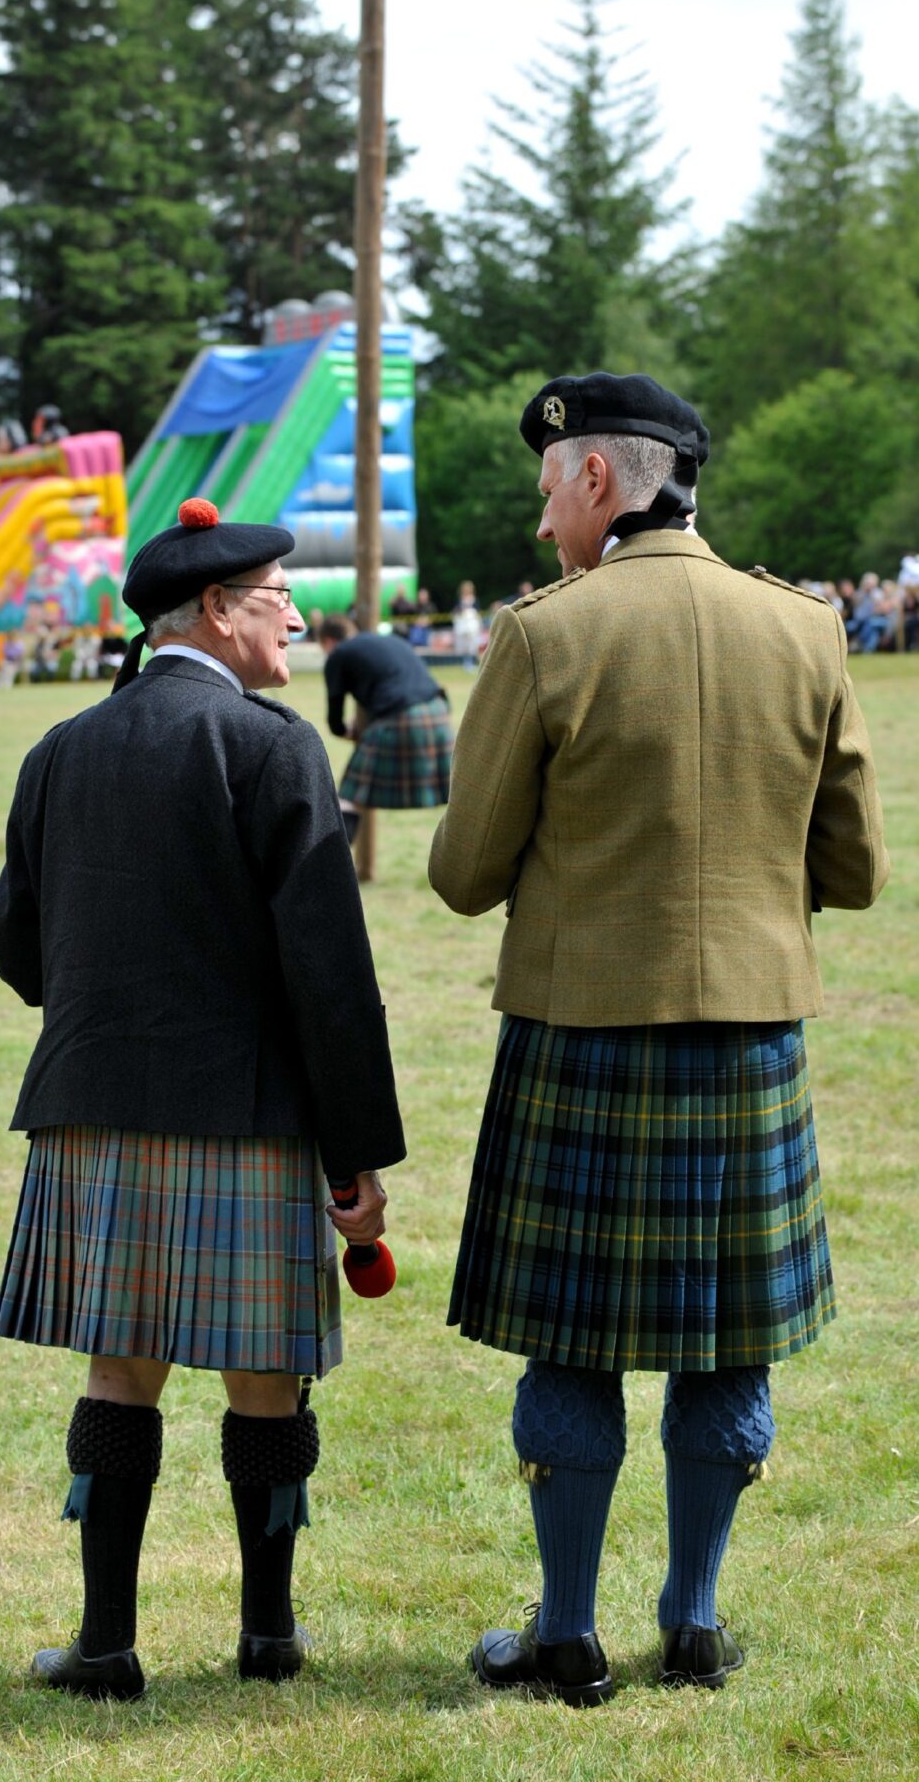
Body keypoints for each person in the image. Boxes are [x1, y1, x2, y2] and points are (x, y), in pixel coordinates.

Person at [429, 371, 888, 1705]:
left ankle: (566, 1634)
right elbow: (853, 871)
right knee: (725, 1342)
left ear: (592, 480)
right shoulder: (804, 631)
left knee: (568, 1346)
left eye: (542, 494)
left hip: (582, 1036)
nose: (536, 527)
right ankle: (692, 1621)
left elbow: (463, 873)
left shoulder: (542, 636)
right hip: (747, 1044)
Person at [0, 497, 405, 1699]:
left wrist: (100, 1009)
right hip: (248, 1115)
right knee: (266, 1379)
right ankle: (268, 1637)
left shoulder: (58, 747)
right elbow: (330, 973)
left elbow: (16, 940)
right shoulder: (274, 746)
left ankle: (106, 1645)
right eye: (279, 595)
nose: (296, 614)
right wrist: (356, 1155)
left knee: (120, 1374)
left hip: (93, 1106)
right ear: (217, 611)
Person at [318, 613, 454, 838]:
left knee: (349, 798)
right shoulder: (389, 641)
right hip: (438, 713)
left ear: (328, 641)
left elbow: (335, 716)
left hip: (401, 716)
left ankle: (331, 867)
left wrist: (345, 732)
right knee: (457, 795)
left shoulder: (338, 655)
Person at [452, 580, 482, 669]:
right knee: (464, 644)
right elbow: (455, 611)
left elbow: (478, 612)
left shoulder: (475, 600)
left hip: (472, 625)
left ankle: (472, 662)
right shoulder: (459, 600)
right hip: (462, 625)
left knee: (472, 644)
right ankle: (465, 662)